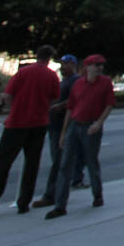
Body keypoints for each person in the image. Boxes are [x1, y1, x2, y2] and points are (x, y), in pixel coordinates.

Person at [0, 46, 61, 216]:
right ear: (49, 58)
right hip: (39, 123)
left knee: (3, 163)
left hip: (16, 123)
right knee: (31, 164)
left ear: (37, 56)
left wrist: (16, 107)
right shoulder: (51, 76)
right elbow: (54, 97)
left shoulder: (22, 73)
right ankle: (24, 202)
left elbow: (8, 95)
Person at [45, 54, 115, 219]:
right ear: (88, 66)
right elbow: (70, 108)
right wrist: (64, 132)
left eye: (101, 65)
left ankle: (97, 194)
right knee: (65, 164)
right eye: (97, 65)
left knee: (91, 161)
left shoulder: (105, 83)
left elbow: (109, 104)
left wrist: (98, 123)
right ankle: (60, 205)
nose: (100, 68)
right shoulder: (78, 84)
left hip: (91, 126)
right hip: (75, 125)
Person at [32, 53, 80, 208]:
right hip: (53, 125)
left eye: (65, 63)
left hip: (62, 126)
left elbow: (75, 101)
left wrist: (59, 106)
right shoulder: (63, 81)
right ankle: (57, 192)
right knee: (60, 162)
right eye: (61, 63)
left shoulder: (75, 81)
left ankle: (52, 195)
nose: (62, 66)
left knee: (59, 162)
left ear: (73, 64)